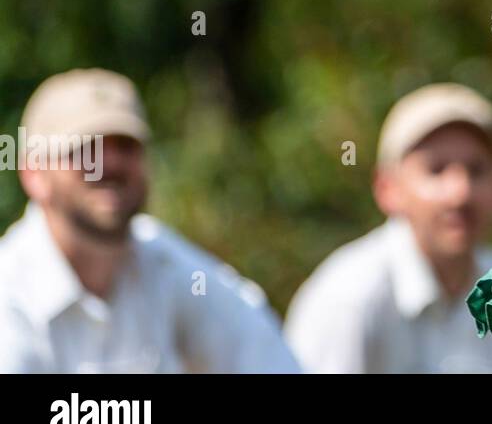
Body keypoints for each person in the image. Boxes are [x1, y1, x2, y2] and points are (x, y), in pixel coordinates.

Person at [0, 68, 299, 373]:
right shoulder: (10, 295)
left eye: (126, 146)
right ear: (34, 174)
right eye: (86, 149)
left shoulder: (166, 264)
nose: (111, 163)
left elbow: (268, 358)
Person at [286, 83, 492, 373]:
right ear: (388, 188)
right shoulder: (348, 299)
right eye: (436, 169)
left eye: (476, 169)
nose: (460, 192)